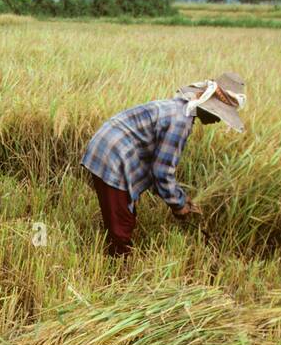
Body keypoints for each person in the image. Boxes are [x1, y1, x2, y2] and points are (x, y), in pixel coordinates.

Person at [81, 72, 246, 257]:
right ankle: (117, 270)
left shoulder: (177, 109)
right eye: (218, 114)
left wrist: (182, 198)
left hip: (107, 149)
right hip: (112, 157)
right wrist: (178, 205)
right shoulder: (181, 122)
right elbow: (162, 172)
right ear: (206, 106)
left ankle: (114, 256)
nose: (217, 120)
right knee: (122, 226)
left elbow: (156, 164)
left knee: (122, 217)